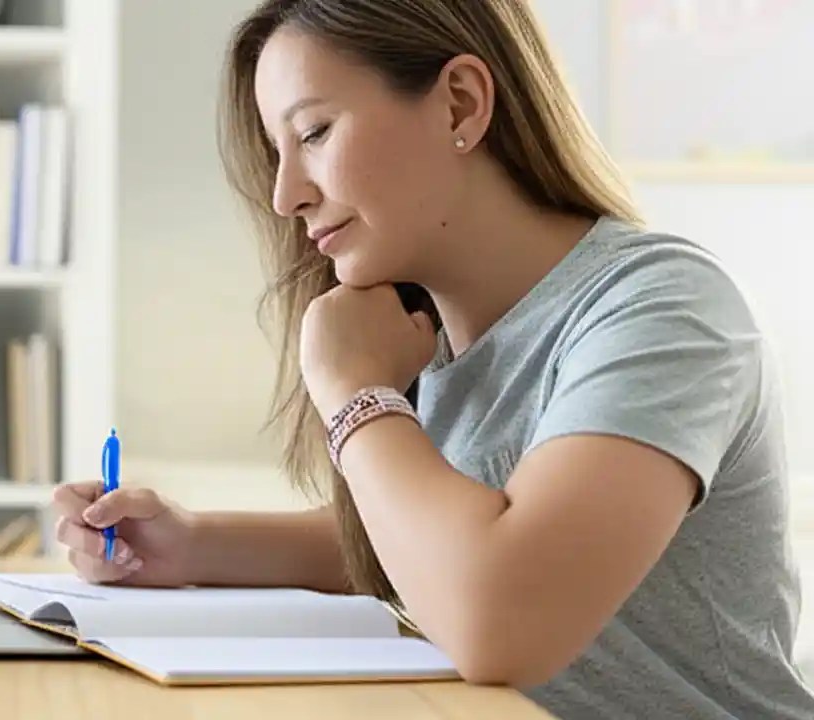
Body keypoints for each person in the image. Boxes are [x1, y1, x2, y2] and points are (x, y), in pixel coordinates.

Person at [51, 1, 814, 717]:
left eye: (313, 133)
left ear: (460, 104)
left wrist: (355, 395)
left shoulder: (664, 309)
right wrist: (192, 544)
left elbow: (500, 619)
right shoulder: (423, 333)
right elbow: (428, 544)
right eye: (276, 152)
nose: (285, 195)